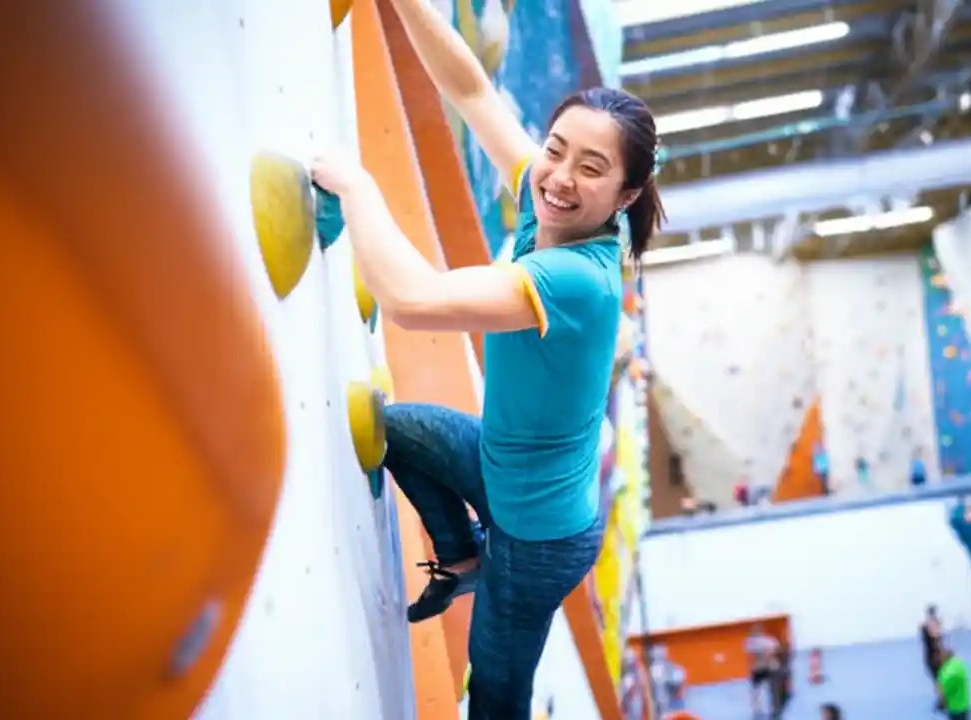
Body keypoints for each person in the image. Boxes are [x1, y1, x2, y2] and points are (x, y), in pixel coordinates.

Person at [310, 0, 665, 715]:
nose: (558, 174)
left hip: (540, 538)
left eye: (590, 168)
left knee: (496, 686)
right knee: (401, 429)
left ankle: (483, 563)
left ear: (624, 195)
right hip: (502, 471)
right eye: (557, 148)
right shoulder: (550, 205)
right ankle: (463, 555)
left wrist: (357, 187)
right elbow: (472, 90)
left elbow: (412, 299)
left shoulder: (577, 281)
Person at [744, 625, 780, 717]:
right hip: (767, 668)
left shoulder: (750, 642)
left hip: (760, 669)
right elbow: (775, 649)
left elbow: (749, 656)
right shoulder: (769, 641)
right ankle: (770, 710)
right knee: (766, 691)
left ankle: (760, 711)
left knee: (758, 691)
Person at [935, 647, 971, 720]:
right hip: (965, 705)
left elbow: (941, 691)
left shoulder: (943, 673)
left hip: (954, 709)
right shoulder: (959, 664)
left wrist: (941, 703)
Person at [919, 605, 944, 710]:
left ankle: (942, 700)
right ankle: (942, 699)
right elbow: (936, 642)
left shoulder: (925, 627)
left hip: (933, 657)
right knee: (938, 679)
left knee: (938, 680)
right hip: (934, 657)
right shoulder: (934, 626)